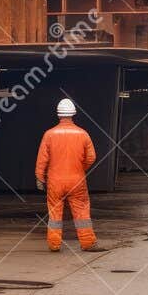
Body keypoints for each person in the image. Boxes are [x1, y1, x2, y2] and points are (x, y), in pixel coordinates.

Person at [35, 98, 98, 252]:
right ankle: (88, 243)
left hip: (55, 181)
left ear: (58, 114)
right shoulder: (83, 134)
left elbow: (42, 159)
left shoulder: (49, 134)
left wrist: (40, 177)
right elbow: (91, 157)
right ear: (73, 114)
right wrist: (80, 169)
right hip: (77, 180)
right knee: (82, 212)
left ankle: (54, 244)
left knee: (55, 214)